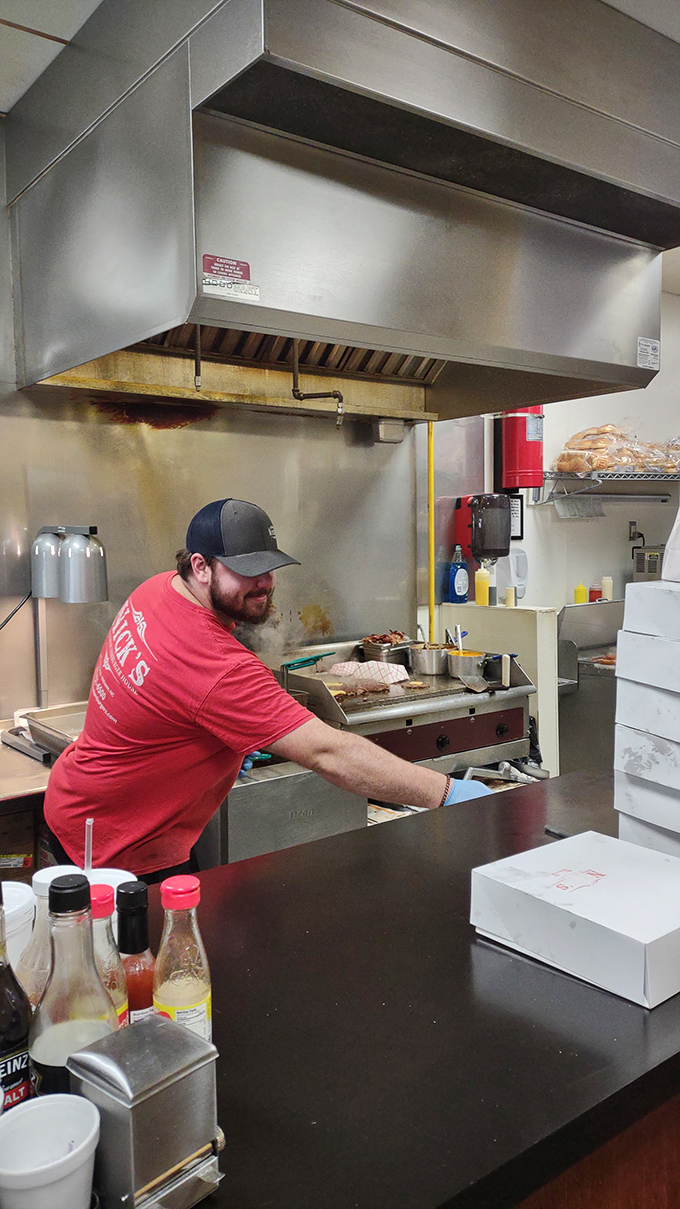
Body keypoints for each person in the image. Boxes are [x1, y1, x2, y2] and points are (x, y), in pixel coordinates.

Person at [44, 498, 491, 882]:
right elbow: (327, 752)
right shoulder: (216, 664)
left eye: (269, 568)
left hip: (83, 806)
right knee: (159, 976)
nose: (264, 584)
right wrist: (445, 793)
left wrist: (210, 745)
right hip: (116, 851)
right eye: (246, 572)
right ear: (200, 566)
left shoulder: (158, 590)